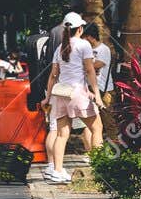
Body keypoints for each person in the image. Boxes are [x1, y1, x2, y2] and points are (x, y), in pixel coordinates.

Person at [42, 11, 102, 183]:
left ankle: (57, 171)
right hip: (78, 92)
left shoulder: (59, 48)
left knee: (62, 133)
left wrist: (47, 98)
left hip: (60, 93)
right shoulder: (84, 46)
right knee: (97, 128)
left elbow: (53, 75)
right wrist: (96, 94)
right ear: (80, 29)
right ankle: (100, 168)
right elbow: (90, 70)